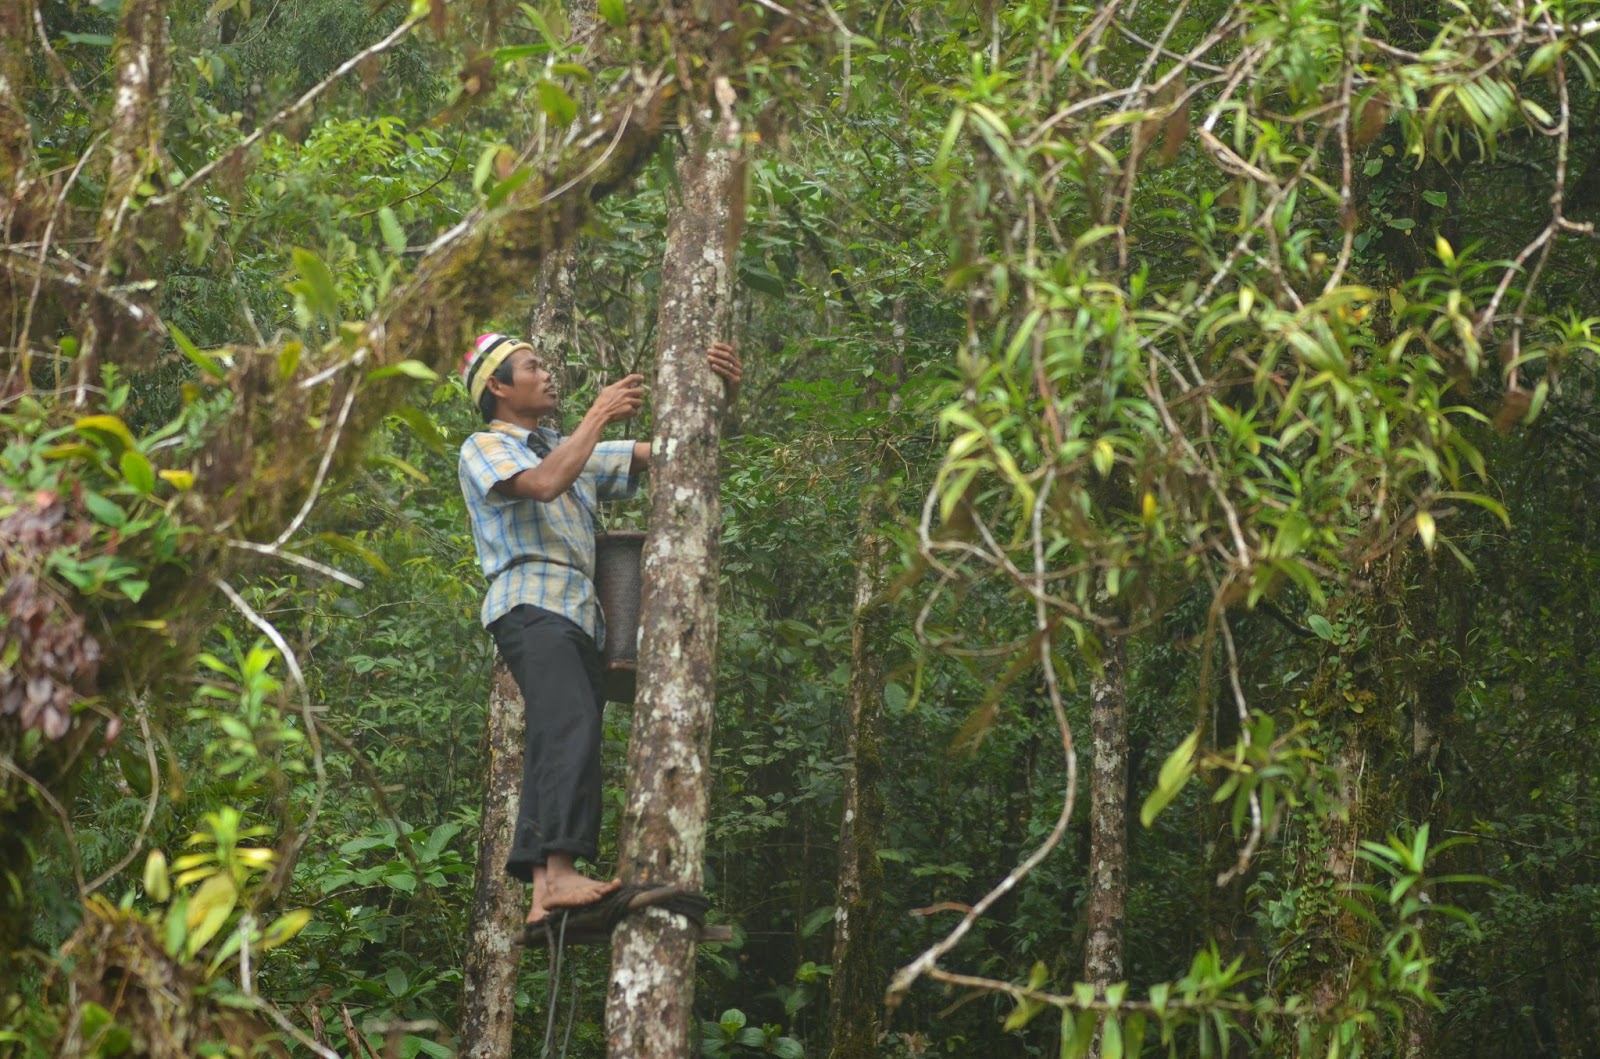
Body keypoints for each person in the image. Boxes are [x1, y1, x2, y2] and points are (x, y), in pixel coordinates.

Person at [457, 332, 741, 926]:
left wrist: (723, 397)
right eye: (532, 367)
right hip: (531, 604)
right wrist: (596, 416)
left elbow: (675, 450)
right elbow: (540, 484)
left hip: (579, 617)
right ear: (498, 387)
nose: (547, 374)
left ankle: (543, 893)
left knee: (558, 734)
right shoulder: (484, 446)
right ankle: (559, 874)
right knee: (569, 725)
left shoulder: (569, 448)